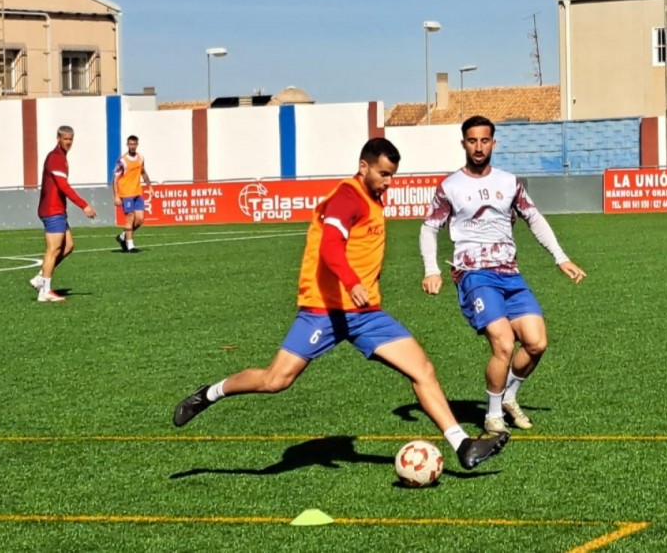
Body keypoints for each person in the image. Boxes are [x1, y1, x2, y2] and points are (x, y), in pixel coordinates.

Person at [173, 138, 509, 471]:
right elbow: (330, 247)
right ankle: (210, 394)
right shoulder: (347, 198)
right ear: (363, 167)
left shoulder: (373, 193)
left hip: (366, 315)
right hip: (324, 310)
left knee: (422, 369)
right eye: (383, 174)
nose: (388, 182)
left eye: (392, 175)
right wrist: (352, 282)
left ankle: (462, 445)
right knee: (275, 381)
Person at [420, 116, 586, 435]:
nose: (479, 147)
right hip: (475, 275)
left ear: (494, 143)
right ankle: (492, 416)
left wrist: (560, 257)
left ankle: (508, 397)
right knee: (504, 344)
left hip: (510, 275)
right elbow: (429, 228)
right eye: (472, 141)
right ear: (463, 144)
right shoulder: (451, 187)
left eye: (485, 140)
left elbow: (534, 218)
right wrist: (432, 269)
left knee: (537, 343)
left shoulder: (509, 182)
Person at [29, 126, 97, 302]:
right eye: (65, 139)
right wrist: (84, 205)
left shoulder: (61, 158)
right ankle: (45, 291)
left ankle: (40, 278)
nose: (68, 142)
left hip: (57, 209)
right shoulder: (56, 158)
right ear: (58, 138)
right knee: (53, 249)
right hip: (52, 210)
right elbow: (63, 186)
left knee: (68, 246)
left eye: (71, 139)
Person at [113, 134, 152, 251]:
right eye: (130, 144)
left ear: (137, 145)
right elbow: (115, 178)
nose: (132, 146)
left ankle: (123, 236)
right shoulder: (122, 160)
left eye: (134, 144)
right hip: (126, 193)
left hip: (137, 192)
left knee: (140, 219)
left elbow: (143, 172)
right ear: (127, 145)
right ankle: (130, 245)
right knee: (130, 217)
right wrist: (116, 196)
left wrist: (149, 186)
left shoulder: (140, 157)